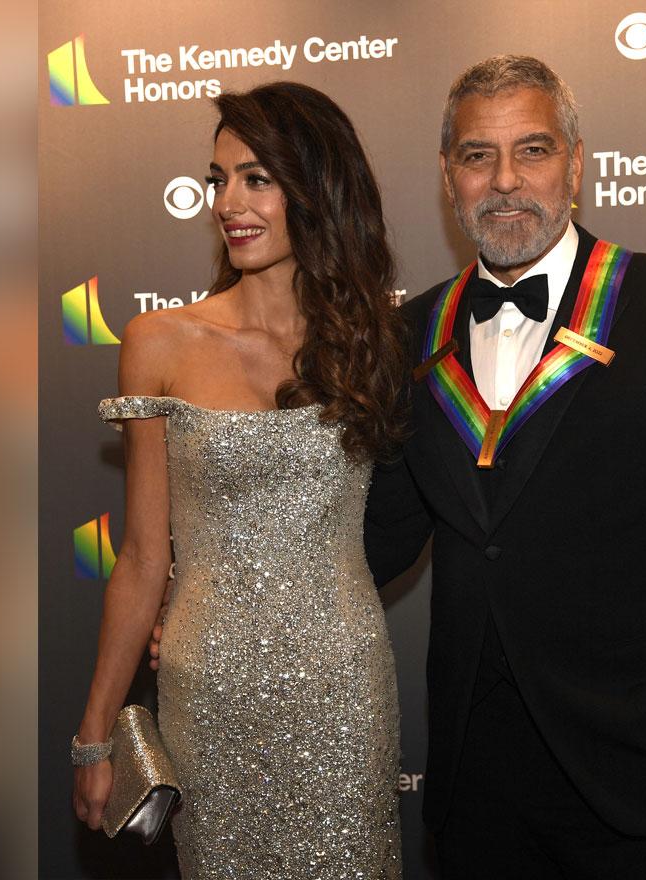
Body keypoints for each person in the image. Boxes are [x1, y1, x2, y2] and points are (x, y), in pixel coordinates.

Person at [363, 56, 646, 878]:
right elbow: (378, 540)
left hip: (644, 776)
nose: (505, 182)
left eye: (533, 150)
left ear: (577, 161)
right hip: (472, 782)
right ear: (447, 173)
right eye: (476, 155)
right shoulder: (408, 334)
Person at [71, 82, 407, 880]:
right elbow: (145, 558)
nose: (229, 201)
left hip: (344, 688)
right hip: (208, 689)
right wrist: (95, 737)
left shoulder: (376, 342)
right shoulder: (159, 339)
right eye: (219, 179)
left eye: (258, 178)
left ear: (316, 189)